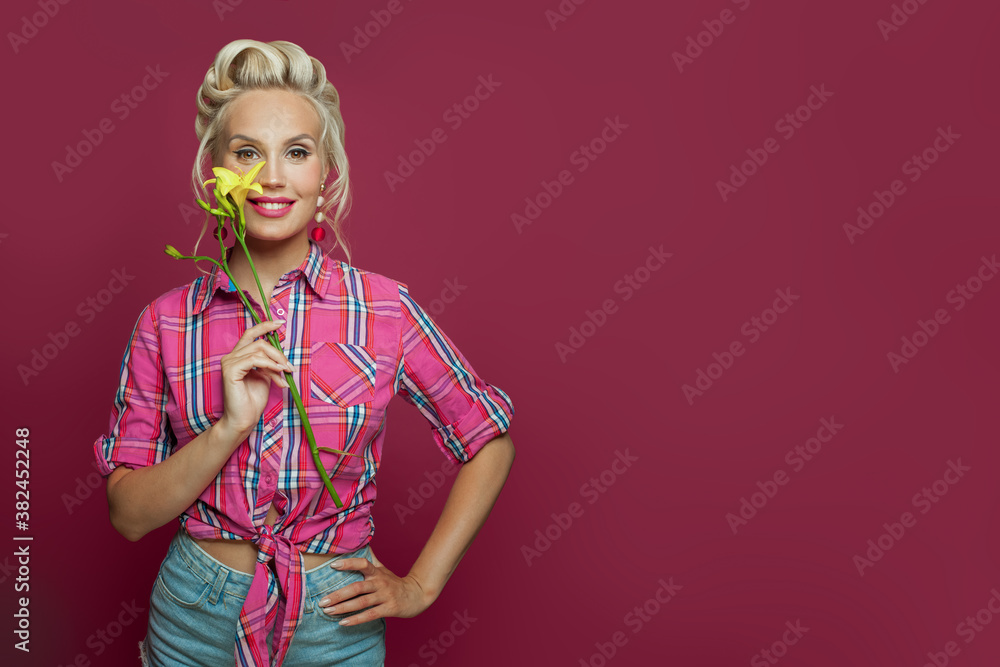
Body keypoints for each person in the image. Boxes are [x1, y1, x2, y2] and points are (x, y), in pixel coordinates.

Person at [92, 39, 515, 667]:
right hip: (193, 616)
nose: (271, 176)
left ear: (325, 173)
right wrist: (229, 428)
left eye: (296, 152)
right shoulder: (166, 322)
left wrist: (421, 585)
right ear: (215, 170)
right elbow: (127, 516)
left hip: (334, 620)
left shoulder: (384, 309)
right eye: (247, 152)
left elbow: (488, 440)